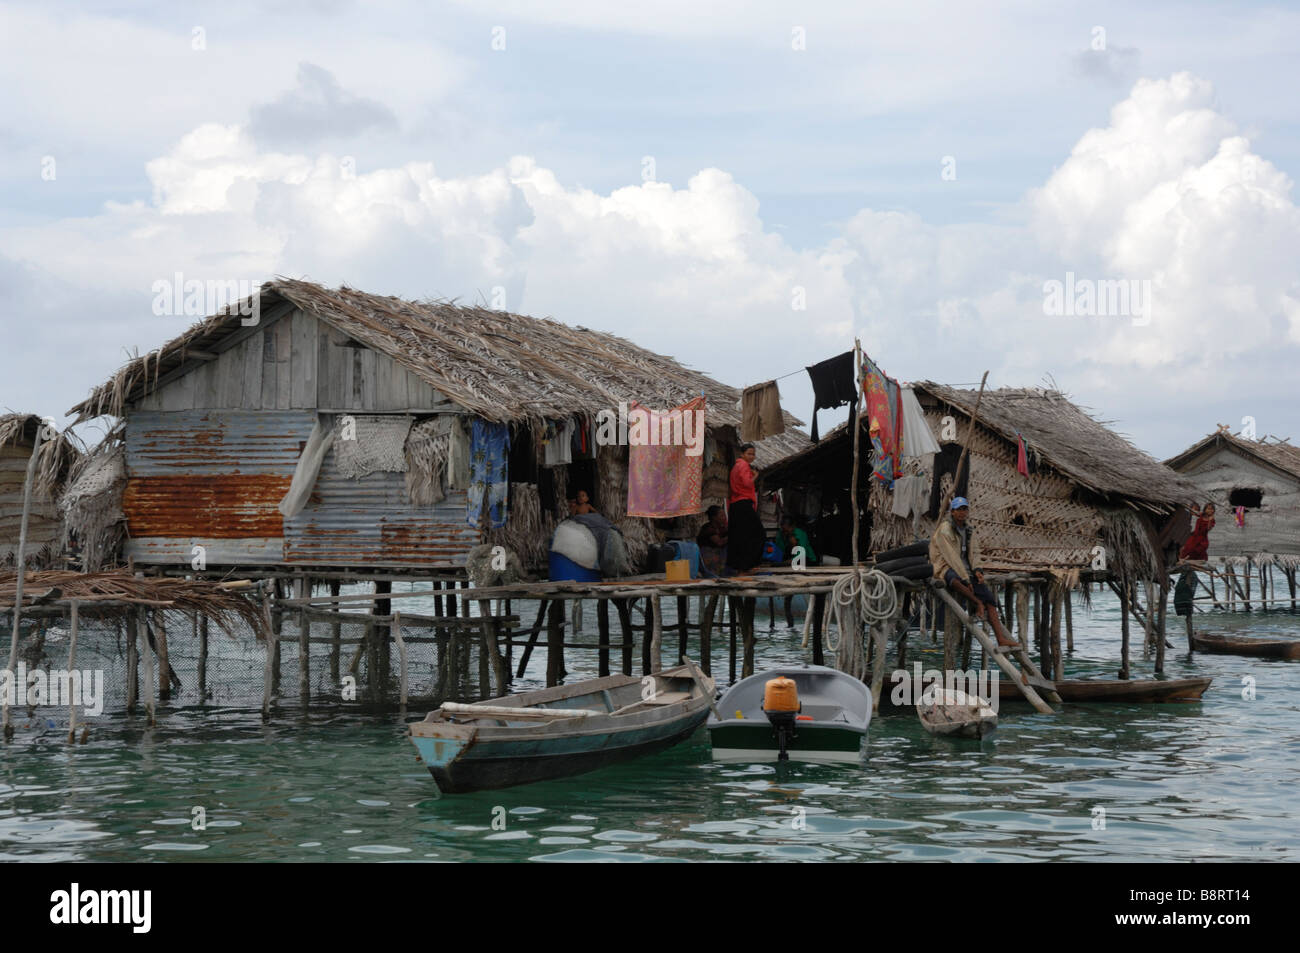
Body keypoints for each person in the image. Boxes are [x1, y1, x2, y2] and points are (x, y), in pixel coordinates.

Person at [929, 497, 1018, 648]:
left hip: (966, 569)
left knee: (990, 600)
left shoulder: (969, 530)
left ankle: (1001, 638)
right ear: (952, 512)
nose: (963, 512)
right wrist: (966, 579)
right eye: (959, 509)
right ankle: (977, 602)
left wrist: (977, 570)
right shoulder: (945, 529)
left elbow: (975, 553)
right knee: (954, 580)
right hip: (945, 565)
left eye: (965, 509)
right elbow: (951, 557)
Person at [726, 444, 764, 572]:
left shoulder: (736, 466)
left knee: (740, 536)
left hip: (736, 504)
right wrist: (755, 476)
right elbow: (747, 483)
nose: (752, 456)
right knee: (757, 534)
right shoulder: (743, 465)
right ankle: (750, 565)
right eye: (749, 454)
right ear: (742, 454)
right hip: (743, 503)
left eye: (753, 454)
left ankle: (740, 567)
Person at [696, 505, 728, 577]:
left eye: (724, 515)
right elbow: (719, 542)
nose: (724, 517)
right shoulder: (708, 528)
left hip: (718, 555)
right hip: (708, 556)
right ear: (714, 517)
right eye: (722, 515)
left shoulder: (722, 527)